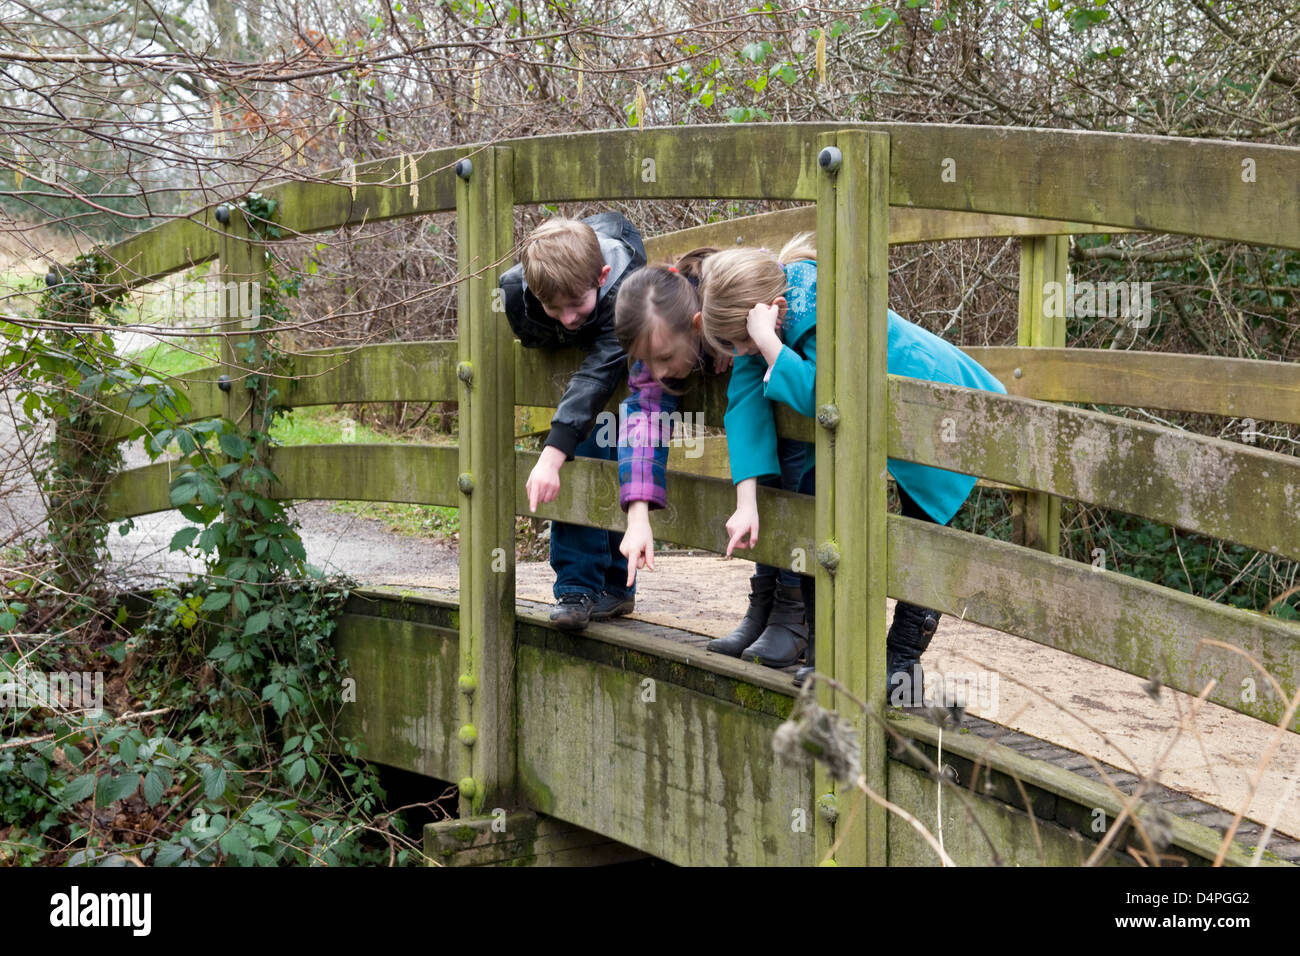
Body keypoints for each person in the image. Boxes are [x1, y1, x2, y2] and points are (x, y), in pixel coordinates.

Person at [695, 233, 1008, 706]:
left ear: (771, 312)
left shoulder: (823, 310)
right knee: (815, 514)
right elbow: (743, 407)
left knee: (920, 537)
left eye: (744, 344)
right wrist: (746, 502)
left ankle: (901, 665)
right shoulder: (764, 325)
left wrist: (770, 349)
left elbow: (830, 398)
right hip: (866, 426)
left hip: (934, 408)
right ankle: (830, 658)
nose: (743, 354)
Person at [613, 253, 812, 670]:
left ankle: (792, 613)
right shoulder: (662, 338)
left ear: (698, 326)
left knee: (791, 467)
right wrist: (637, 517)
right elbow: (644, 424)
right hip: (760, 413)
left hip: (797, 422)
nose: (660, 371)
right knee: (765, 480)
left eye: (666, 358)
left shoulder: (726, 309)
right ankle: (764, 609)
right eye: (648, 362)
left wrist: (736, 346)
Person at [499, 212, 646, 630]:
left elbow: (600, 371)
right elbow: (536, 335)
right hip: (577, 381)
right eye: (553, 308)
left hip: (620, 367)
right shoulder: (517, 293)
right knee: (580, 450)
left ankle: (617, 586)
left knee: (602, 441)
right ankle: (576, 588)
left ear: (601, 276)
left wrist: (549, 455)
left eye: (576, 305)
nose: (566, 318)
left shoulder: (624, 287)